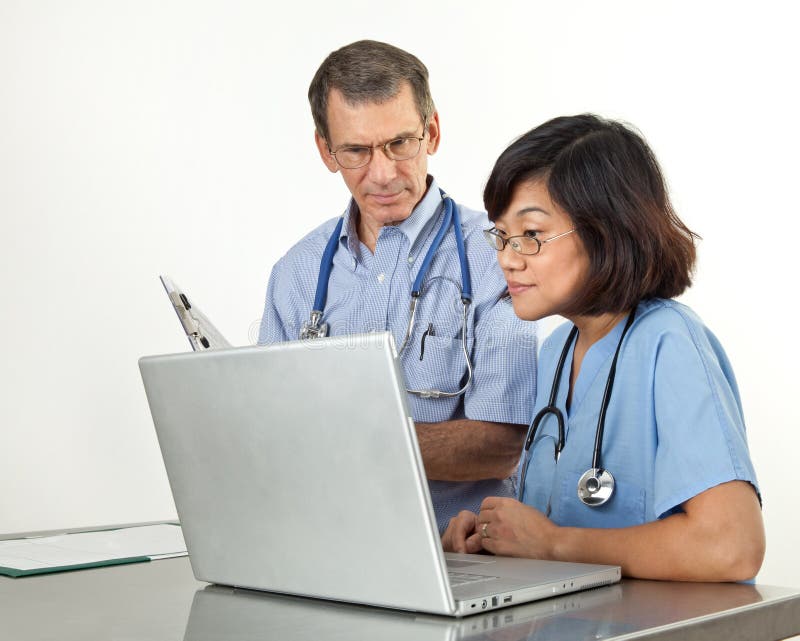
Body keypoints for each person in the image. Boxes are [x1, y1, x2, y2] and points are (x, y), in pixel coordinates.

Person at [442, 114, 766, 581]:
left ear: (606, 231)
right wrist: (492, 539)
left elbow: (731, 546)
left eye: (531, 235)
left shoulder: (670, 343)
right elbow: (549, 531)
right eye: (501, 235)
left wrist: (553, 544)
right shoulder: (556, 353)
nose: (508, 259)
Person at [258, 40, 538, 532]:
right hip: (324, 547)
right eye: (357, 151)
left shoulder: (498, 257)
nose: (383, 173)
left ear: (431, 132)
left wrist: (349, 443)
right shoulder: (296, 275)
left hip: (459, 558)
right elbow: (269, 436)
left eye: (399, 143)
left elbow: (502, 445)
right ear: (326, 152)